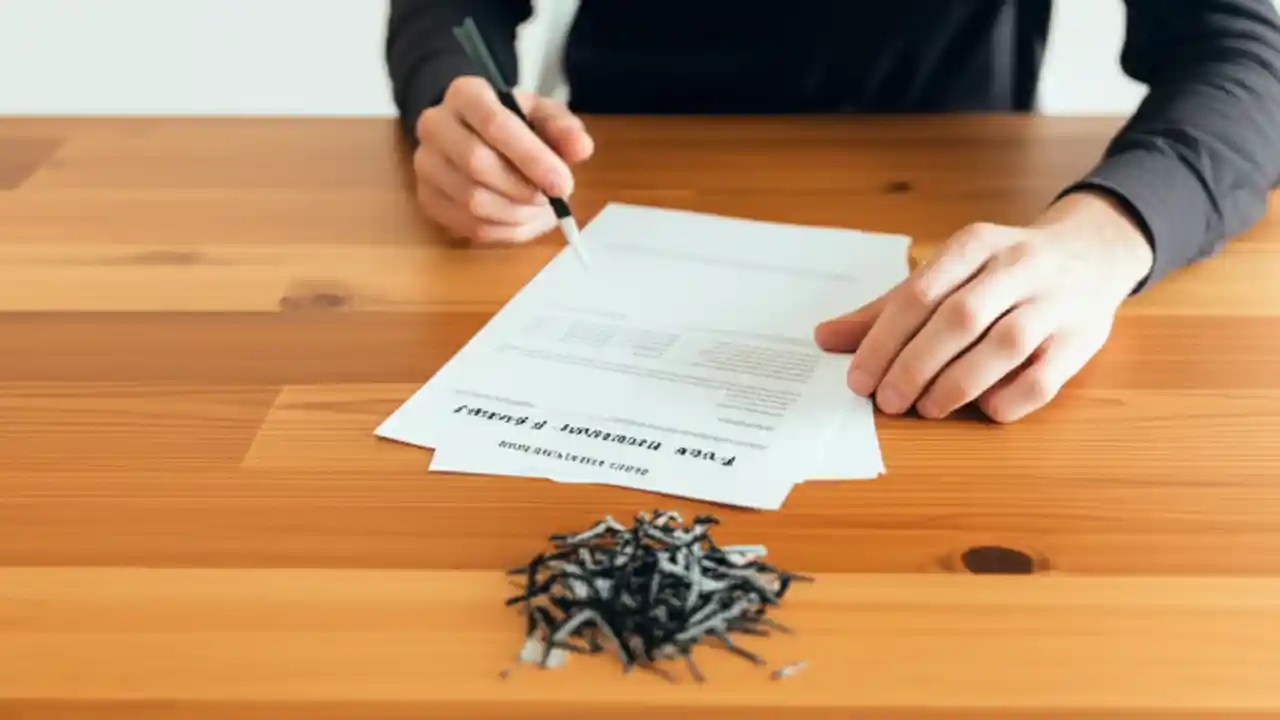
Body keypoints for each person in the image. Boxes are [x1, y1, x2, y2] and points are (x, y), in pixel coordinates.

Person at [387, 1, 1280, 423]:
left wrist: (1103, 237)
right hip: (620, 168)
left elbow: (1242, 56)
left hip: (953, 191)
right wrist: (453, 97)